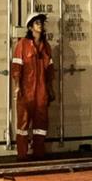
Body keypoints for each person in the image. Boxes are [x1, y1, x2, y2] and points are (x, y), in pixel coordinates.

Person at [11, 10, 56, 158]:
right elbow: (17, 67)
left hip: (41, 92)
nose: (40, 25)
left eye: (41, 23)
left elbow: (49, 70)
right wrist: (18, 86)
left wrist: (50, 89)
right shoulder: (22, 45)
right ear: (30, 27)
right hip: (26, 90)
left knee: (41, 125)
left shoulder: (46, 46)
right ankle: (22, 155)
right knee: (23, 125)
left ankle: (39, 154)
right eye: (37, 23)